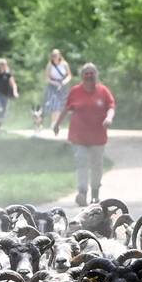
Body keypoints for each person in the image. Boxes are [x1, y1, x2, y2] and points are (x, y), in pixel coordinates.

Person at [51, 62, 113, 206]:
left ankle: (95, 195)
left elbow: (111, 107)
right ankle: (82, 193)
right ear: (82, 76)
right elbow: (66, 109)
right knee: (82, 162)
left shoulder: (103, 91)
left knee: (97, 165)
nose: (90, 76)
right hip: (79, 136)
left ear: (96, 75)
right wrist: (57, 124)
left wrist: (109, 118)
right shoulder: (75, 91)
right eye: (87, 73)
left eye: (92, 73)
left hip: (98, 137)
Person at [42, 49, 72, 124]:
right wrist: (54, 83)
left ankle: (57, 122)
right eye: (53, 55)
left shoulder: (64, 64)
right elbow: (46, 77)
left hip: (63, 85)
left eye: (56, 55)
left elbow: (69, 75)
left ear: (59, 55)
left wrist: (64, 82)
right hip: (53, 85)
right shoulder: (49, 65)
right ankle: (54, 122)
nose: (54, 57)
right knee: (54, 103)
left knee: (61, 104)